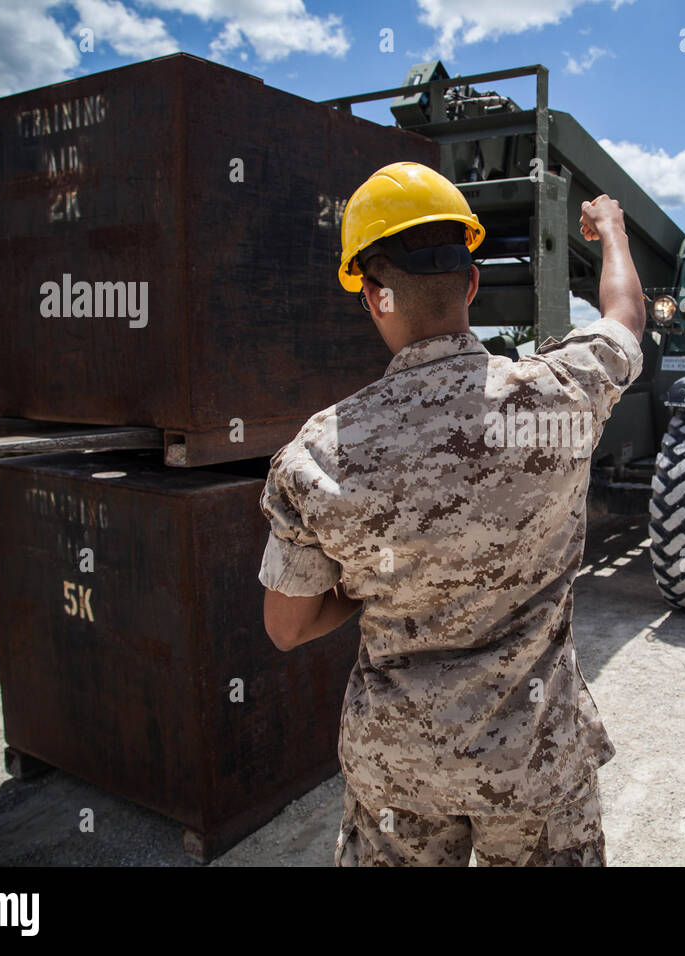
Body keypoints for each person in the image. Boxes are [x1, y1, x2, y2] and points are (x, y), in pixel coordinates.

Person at [257, 160, 645, 866]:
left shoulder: (316, 455)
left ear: (373, 296)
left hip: (398, 773)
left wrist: (372, 574)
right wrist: (611, 231)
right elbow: (623, 321)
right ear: (470, 283)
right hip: (531, 762)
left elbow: (287, 627)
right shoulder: (558, 396)